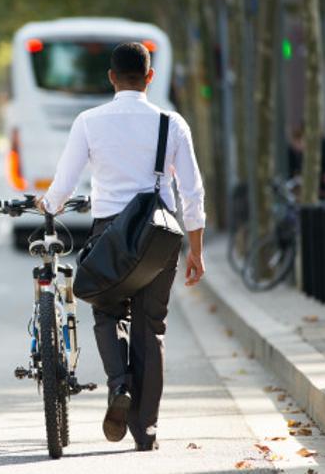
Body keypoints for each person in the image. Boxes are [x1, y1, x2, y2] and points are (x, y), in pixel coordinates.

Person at [38, 42, 206, 452]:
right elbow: (192, 192)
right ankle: (145, 431)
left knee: (106, 310)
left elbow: (63, 185)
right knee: (151, 328)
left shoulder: (89, 121)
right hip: (159, 238)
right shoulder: (172, 123)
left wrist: (48, 205)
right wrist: (197, 251)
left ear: (111, 77)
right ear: (149, 77)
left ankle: (119, 385)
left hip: (110, 234)